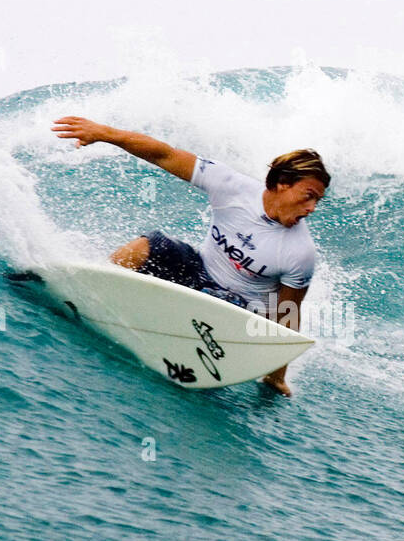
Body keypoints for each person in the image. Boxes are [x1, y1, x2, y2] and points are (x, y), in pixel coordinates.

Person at [52, 115, 329, 396]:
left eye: (318, 200)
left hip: (237, 310)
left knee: (228, 300)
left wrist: (275, 376)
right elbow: (165, 155)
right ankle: (90, 294)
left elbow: (285, 314)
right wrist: (105, 133)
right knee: (149, 245)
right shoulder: (232, 186)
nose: (312, 208)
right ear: (283, 183)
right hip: (198, 274)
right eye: (309, 195)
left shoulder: (301, 252)